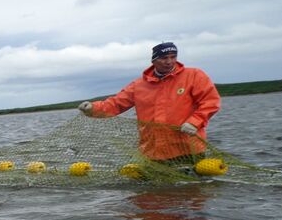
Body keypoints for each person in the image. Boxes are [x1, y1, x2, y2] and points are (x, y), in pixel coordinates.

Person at [78, 42, 220, 162]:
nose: (169, 61)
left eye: (173, 57)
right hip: (153, 152)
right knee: (154, 188)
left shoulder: (194, 75)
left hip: (188, 148)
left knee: (194, 187)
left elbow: (210, 101)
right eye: (164, 58)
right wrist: (92, 108)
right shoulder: (138, 85)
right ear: (154, 60)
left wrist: (195, 122)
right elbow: (115, 104)